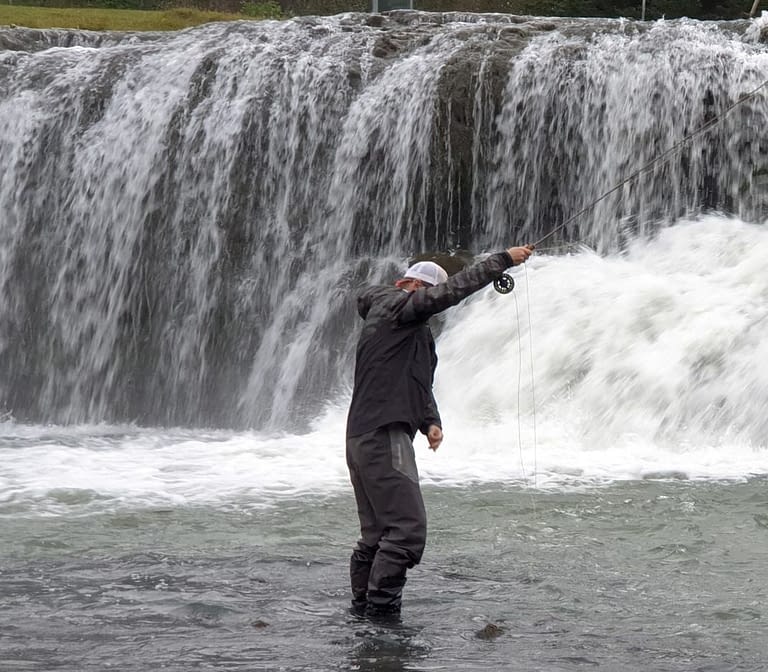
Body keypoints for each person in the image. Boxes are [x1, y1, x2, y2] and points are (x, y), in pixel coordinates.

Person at [345, 244, 534, 619]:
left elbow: (417, 380)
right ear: (410, 284)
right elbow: (449, 292)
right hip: (384, 435)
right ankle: (383, 618)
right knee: (407, 531)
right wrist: (501, 261)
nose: (432, 304)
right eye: (429, 293)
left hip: (365, 436)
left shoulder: (407, 329)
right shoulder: (395, 305)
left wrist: (430, 421)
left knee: (378, 533)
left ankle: (363, 615)